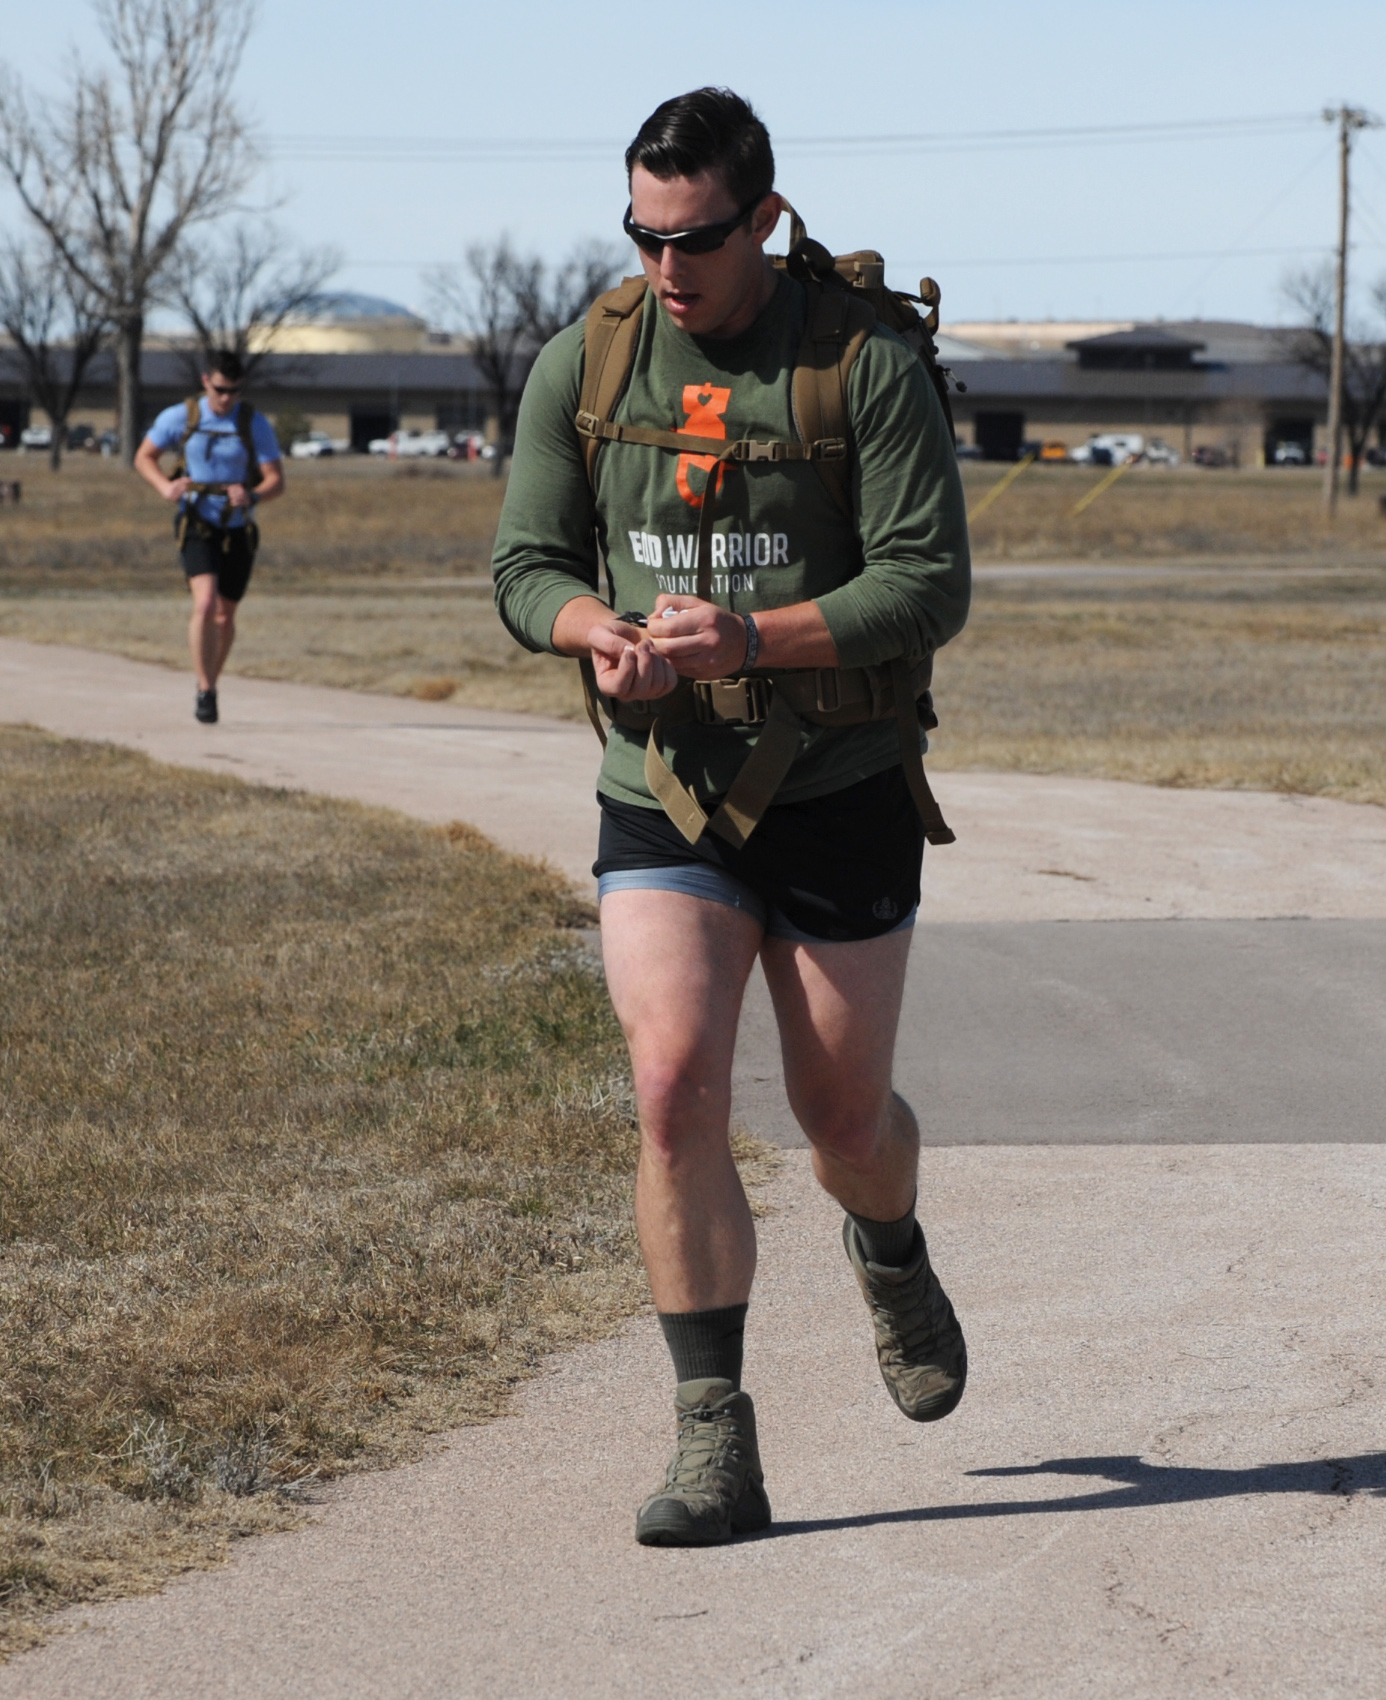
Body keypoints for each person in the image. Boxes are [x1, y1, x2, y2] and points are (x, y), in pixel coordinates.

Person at [492, 87, 971, 1547]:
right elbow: (524, 566)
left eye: (696, 238)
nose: (667, 267)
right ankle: (714, 1436)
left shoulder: (863, 362)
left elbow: (927, 584)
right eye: (643, 235)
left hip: (837, 787)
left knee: (843, 1121)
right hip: (666, 790)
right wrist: (595, 629)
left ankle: (887, 1242)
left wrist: (753, 636)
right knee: (671, 1088)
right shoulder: (585, 359)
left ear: (764, 217)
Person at [134, 351, 284, 723]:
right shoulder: (181, 417)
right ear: (206, 382)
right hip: (197, 523)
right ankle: (205, 688)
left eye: (234, 391)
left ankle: (211, 681)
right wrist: (165, 487)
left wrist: (252, 495)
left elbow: (276, 480)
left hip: (238, 528)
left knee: (224, 615)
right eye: (220, 390)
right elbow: (144, 457)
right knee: (204, 604)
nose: (226, 398)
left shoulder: (253, 423)